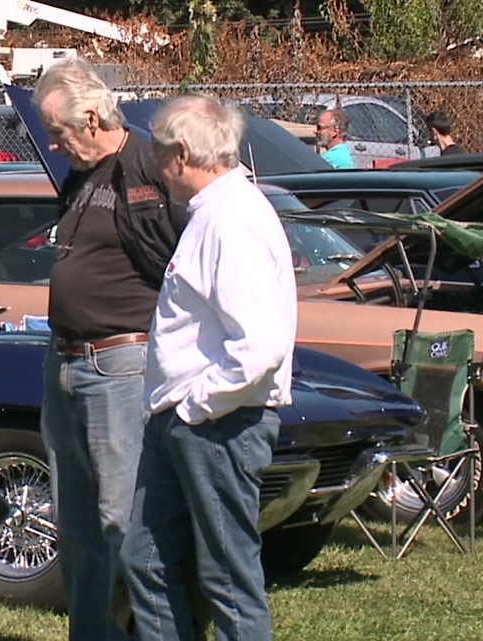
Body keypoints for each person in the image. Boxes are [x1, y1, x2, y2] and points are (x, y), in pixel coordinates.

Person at [121, 94, 297, 641]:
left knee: (227, 579)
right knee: (144, 561)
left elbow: (260, 345)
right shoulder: (214, 214)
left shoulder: (233, 220)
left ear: (180, 153)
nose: (153, 165)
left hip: (219, 424)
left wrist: (196, 405)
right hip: (187, 420)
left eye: (157, 152)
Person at [32, 57, 183, 641]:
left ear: (93, 115)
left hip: (120, 365)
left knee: (125, 520)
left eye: (59, 130)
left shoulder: (149, 166)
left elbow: (185, 261)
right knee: (75, 524)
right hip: (64, 362)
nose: (53, 142)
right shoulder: (80, 174)